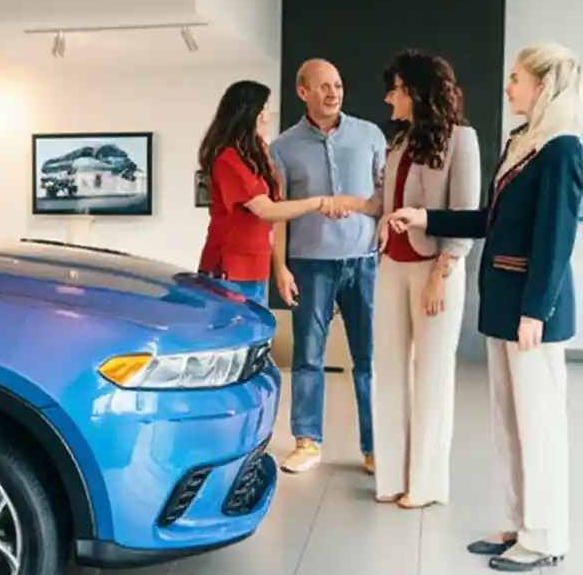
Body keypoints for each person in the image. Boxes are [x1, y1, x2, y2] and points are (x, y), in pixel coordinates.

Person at [382, 42, 583, 572]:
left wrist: (536, 312)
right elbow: (489, 220)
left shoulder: (562, 148)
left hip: (530, 313)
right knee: (509, 424)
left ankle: (545, 537)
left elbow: (556, 239)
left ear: (543, 84)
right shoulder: (524, 143)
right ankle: (519, 524)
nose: (508, 86)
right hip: (503, 304)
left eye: (517, 77)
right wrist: (426, 217)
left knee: (538, 426)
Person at [368, 50, 481, 510]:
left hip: (436, 267)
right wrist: (339, 205)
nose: (388, 98)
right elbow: (383, 200)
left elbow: (465, 214)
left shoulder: (461, 139)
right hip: (391, 266)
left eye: (395, 89)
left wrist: (442, 272)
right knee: (388, 371)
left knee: (432, 375)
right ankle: (392, 478)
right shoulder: (398, 142)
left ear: (417, 91)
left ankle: (427, 483)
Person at [271, 59, 386, 475]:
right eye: (323, 86)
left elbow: (386, 197)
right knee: (308, 357)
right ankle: (307, 442)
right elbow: (279, 212)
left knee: (369, 358)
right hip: (309, 264)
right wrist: (280, 267)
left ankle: (376, 447)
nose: (333, 92)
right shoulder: (282, 147)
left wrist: (368, 217)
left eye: (337, 84)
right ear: (303, 92)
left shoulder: (370, 135)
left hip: (364, 262)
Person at [196, 80, 348, 307]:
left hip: (256, 267)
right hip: (229, 269)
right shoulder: (229, 160)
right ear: (251, 113)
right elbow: (267, 210)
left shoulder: (259, 154)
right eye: (265, 108)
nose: (268, 116)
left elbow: (277, 214)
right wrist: (320, 203)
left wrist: (280, 268)